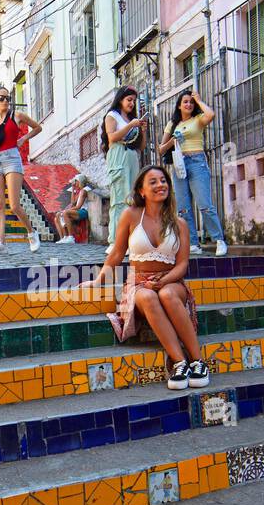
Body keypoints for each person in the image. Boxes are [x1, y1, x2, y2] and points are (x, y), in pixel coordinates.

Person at [82, 164, 210, 391]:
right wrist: (98, 280)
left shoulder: (179, 223)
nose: (161, 185)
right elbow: (117, 253)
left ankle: (198, 362)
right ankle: (179, 363)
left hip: (171, 280)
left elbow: (182, 264)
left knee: (168, 294)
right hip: (139, 282)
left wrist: (165, 280)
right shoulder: (130, 215)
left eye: (163, 181)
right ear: (141, 190)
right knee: (149, 297)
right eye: (153, 182)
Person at [158, 89, 228, 257]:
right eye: (185, 102)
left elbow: (210, 114)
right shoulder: (172, 124)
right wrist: (173, 141)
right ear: (179, 106)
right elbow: (161, 149)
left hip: (197, 162)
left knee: (204, 204)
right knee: (183, 209)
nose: (189, 104)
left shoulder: (198, 119)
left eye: (191, 102)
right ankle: (193, 243)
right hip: (179, 164)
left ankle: (219, 240)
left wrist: (199, 99)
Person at [0, 87, 43, 253]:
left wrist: (23, 138)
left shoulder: (17, 115)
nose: (5, 101)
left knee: (15, 205)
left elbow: (38, 127)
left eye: (8, 98)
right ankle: (1, 242)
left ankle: (31, 233)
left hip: (12, 158)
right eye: (1, 98)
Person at [101, 86, 147, 252]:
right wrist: (130, 126)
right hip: (118, 155)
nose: (132, 103)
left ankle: (129, 239)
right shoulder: (112, 116)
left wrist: (142, 130)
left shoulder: (132, 120)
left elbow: (141, 147)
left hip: (132, 156)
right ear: (121, 99)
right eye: (129, 100)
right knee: (119, 199)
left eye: (134, 101)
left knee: (132, 199)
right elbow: (112, 137)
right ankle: (114, 241)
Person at [55, 175, 91, 243]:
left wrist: (65, 211)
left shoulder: (83, 191)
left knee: (65, 213)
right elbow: (73, 202)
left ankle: (70, 237)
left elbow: (78, 206)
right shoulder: (79, 191)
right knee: (58, 215)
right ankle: (64, 237)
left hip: (84, 211)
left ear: (80, 181)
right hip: (78, 211)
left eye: (76, 181)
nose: (75, 183)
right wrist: (73, 189)